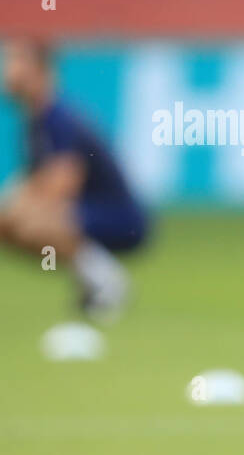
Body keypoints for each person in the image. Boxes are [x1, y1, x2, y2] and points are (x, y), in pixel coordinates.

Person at [0, 38, 148, 318]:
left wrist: (17, 203)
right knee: (9, 223)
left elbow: (63, 184)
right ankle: (94, 279)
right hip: (87, 214)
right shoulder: (34, 122)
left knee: (30, 219)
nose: (8, 72)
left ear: (38, 69)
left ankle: (107, 280)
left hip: (118, 218)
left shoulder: (58, 118)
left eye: (15, 62)